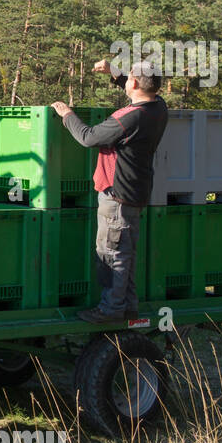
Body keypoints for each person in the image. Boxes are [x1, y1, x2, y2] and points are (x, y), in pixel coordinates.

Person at [50, 59, 168, 324]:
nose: (127, 81)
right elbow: (140, 88)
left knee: (112, 253)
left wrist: (67, 114)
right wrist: (116, 73)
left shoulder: (127, 118)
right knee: (126, 252)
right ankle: (128, 306)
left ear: (135, 83)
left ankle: (111, 309)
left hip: (117, 196)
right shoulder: (159, 107)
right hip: (136, 191)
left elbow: (89, 137)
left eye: (128, 78)